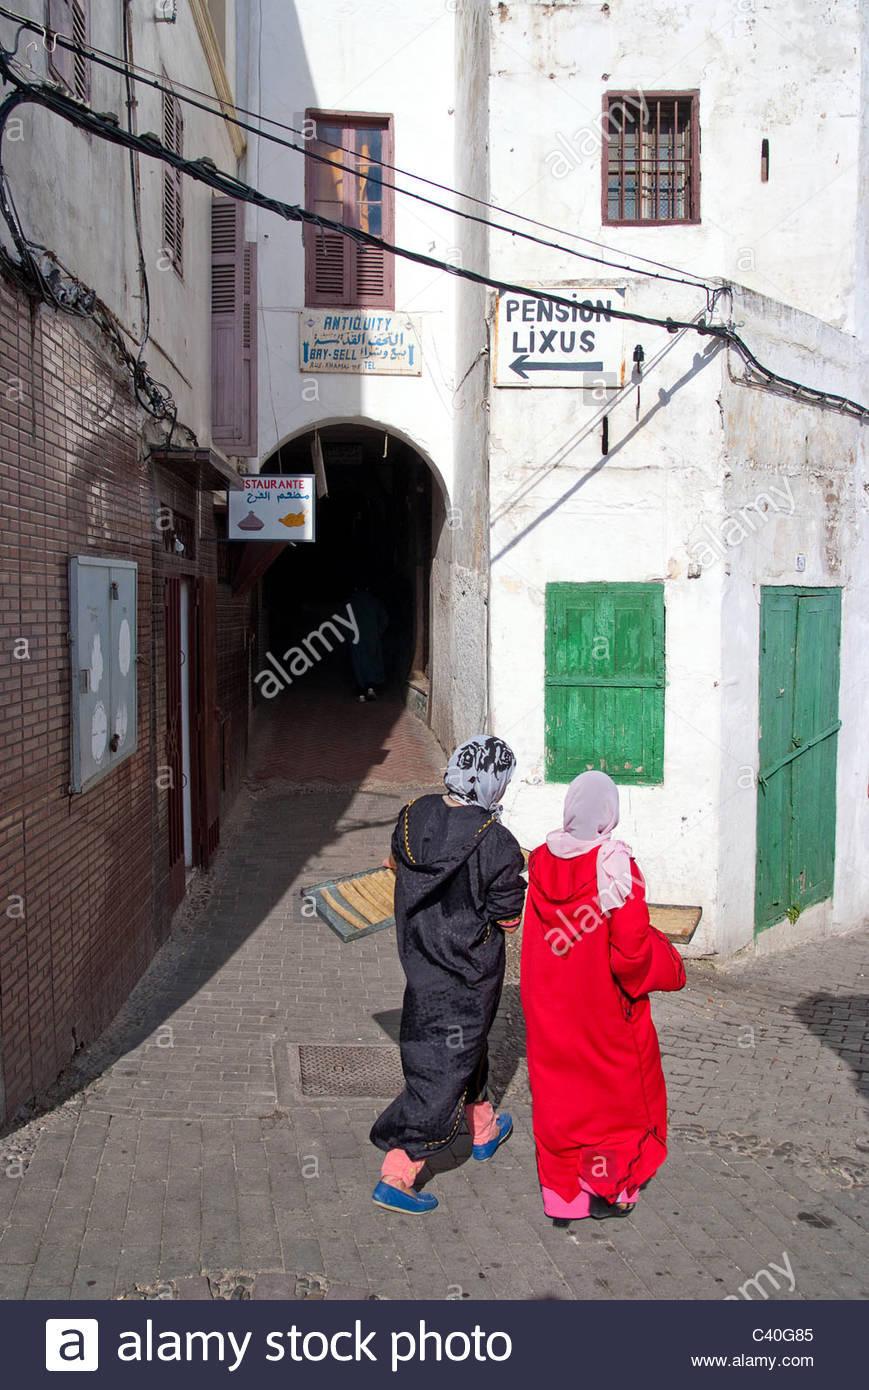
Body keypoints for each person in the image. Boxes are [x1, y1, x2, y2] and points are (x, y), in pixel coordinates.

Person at [370, 735, 527, 1214]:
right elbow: (508, 918)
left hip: (420, 958)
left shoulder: (414, 814)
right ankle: (399, 1169)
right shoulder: (496, 842)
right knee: (440, 1064)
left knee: (466, 1045)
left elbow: (392, 864)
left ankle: (482, 1127)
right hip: (469, 970)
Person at [521, 770, 686, 1225]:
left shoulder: (541, 861)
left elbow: (538, 937)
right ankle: (608, 1181)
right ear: (610, 814)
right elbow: (631, 951)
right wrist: (668, 965)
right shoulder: (616, 867)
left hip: (551, 1002)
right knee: (618, 1096)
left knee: (559, 1095)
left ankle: (563, 1194)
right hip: (602, 1006)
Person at [348, 584, 388, 701]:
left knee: (358, 664)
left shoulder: (350, 602)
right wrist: (378, 632)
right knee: (372, 662)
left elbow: (343, 621)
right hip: (372, 637)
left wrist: (349, 635)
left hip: (355, 638)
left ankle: (360, 693)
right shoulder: (374, 602)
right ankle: (371, 688)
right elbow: (384, 618)